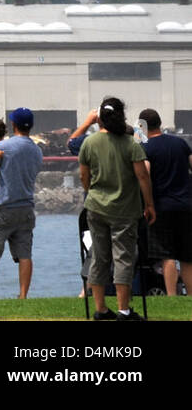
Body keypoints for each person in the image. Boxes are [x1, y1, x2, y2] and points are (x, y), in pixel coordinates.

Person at [79, 97, 156, 321]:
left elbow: (84, 176)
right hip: (124, 208)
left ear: (100, 118)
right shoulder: (130, 143)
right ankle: (124, 310)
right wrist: (149, 204)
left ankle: (100, 309)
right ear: (122, 115)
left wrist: (91, 191)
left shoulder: (89, 143)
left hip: (96, 206)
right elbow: (143, 176)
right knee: (123, 257)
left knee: (99, 257)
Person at [0, 106, 42, 299]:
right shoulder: (37, 151)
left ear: (13, 124)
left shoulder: (3, 147)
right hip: (26, 208)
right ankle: (23, 296)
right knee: (24, 254)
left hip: (2, 208)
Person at [137, 109, 192, 297]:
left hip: (162, 206)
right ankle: (190, 298)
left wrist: (148, 203)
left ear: (143, 126)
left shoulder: (146, 148)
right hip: (186, 205)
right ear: (160, 123)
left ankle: (171, 296)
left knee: (167, 255)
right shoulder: (180, 143)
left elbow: (145, 173)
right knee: (187, 256)